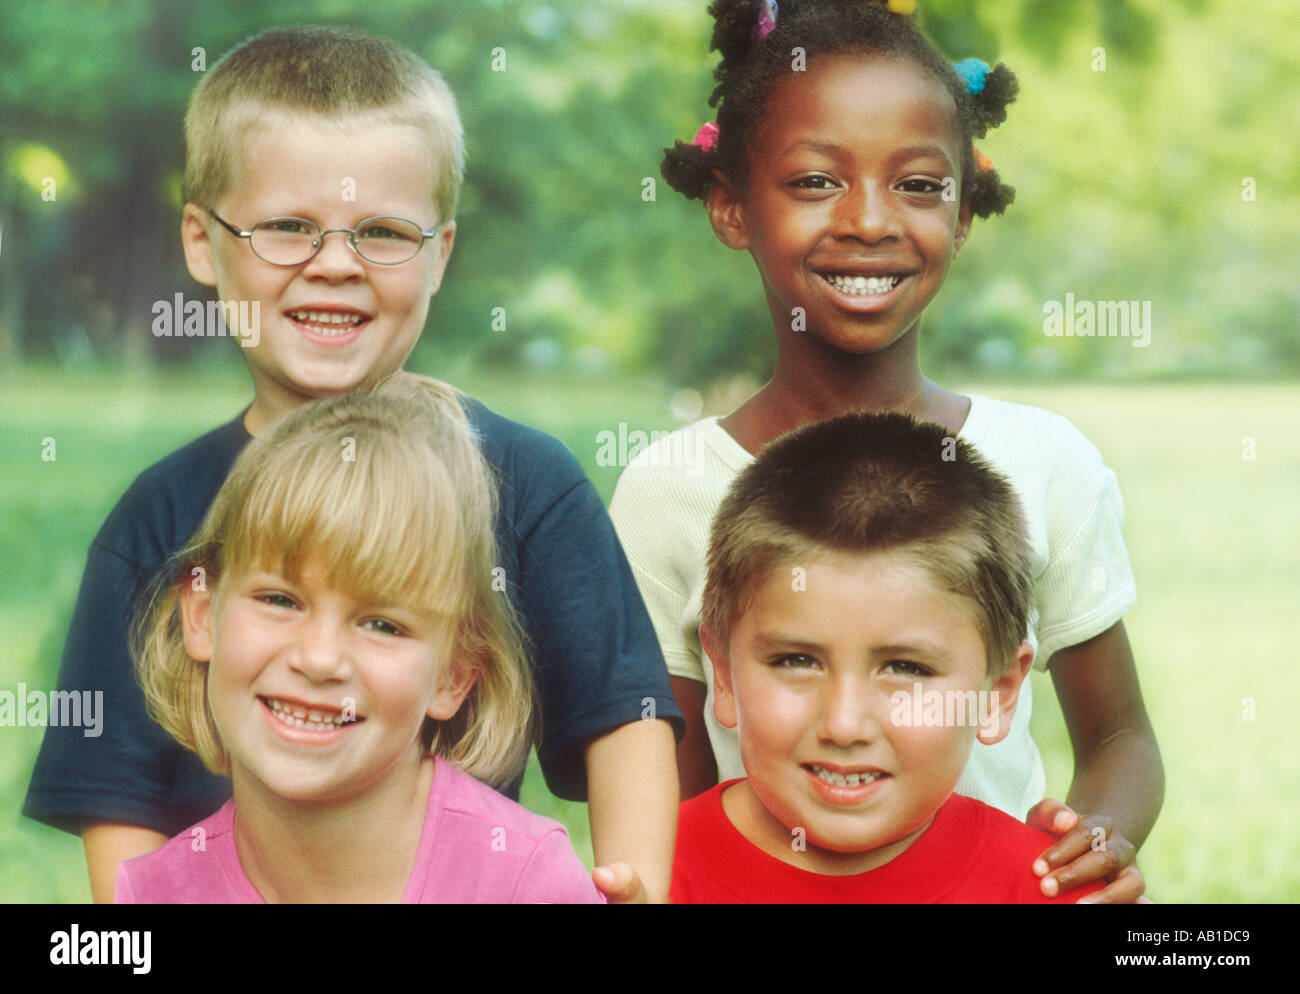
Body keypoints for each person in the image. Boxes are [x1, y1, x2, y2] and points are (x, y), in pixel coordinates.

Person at [25, 25, 679, 904]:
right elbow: (118, 800)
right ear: (198, 241)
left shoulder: (524, 481)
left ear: (441, 252)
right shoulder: (160, 515)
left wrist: (634, 887)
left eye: (380, 233)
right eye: (289, 228)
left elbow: (624, 720)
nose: (335, 265)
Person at [610, 0, 1160, 901]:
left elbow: (1120, 737)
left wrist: (1095, 839)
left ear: (966, 208)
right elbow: (670, 792)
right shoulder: (667, 490)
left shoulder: (1044, 461)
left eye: (916, 185)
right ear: (730, 205)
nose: (869, 220)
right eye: (816, 181)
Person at [117, 375, 600, 903]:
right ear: (203, 614)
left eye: (383, 625)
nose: (320, 659)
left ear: (454, 674)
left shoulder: (525, 882)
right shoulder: (154, 894)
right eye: (280, 600)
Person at [671, 411, 1107, 903]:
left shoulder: (1057, 891)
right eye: (796, 660)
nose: (844, 725)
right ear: (724, 676)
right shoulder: (645, 873)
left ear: (997, 694)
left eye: (906, 668)